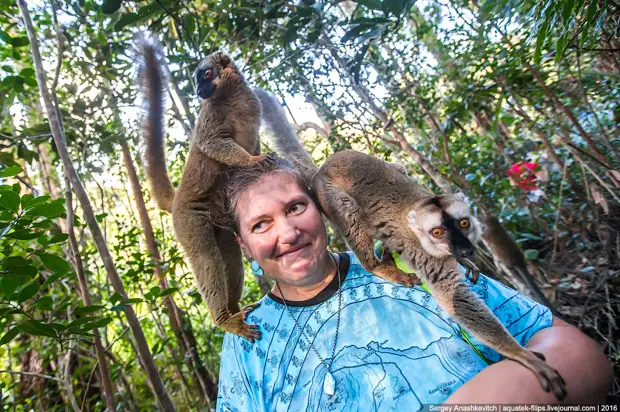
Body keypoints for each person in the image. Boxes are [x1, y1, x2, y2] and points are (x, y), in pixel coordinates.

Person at [216, 155, 612, 411]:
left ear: (321, 211)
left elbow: (583, 360)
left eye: (295, 207)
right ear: (244, 246)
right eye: (260, 224)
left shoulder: (418, 260)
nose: (287, 232)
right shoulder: (249, 340)